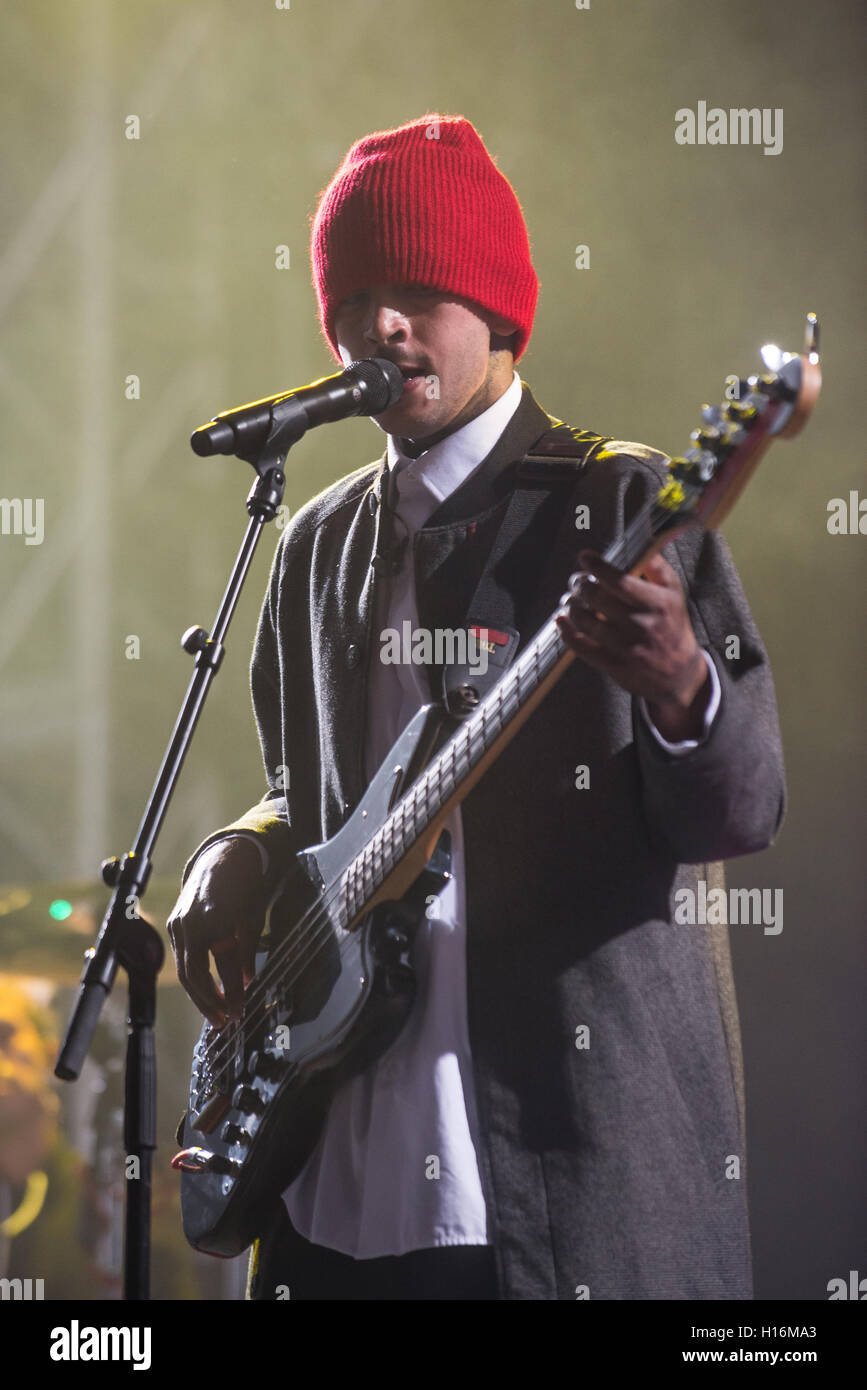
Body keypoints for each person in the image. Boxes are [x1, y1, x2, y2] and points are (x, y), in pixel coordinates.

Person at [167, 113, 785, 1301]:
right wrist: (234, 849)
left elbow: (742, 803)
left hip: (546, 1188)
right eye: (353, 300)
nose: (378, 324)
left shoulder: (619, 503)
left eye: (416, 288)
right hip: (332, 1181)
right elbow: (307, 802)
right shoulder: (314, 544)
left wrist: (681, 689)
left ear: (499, 308)